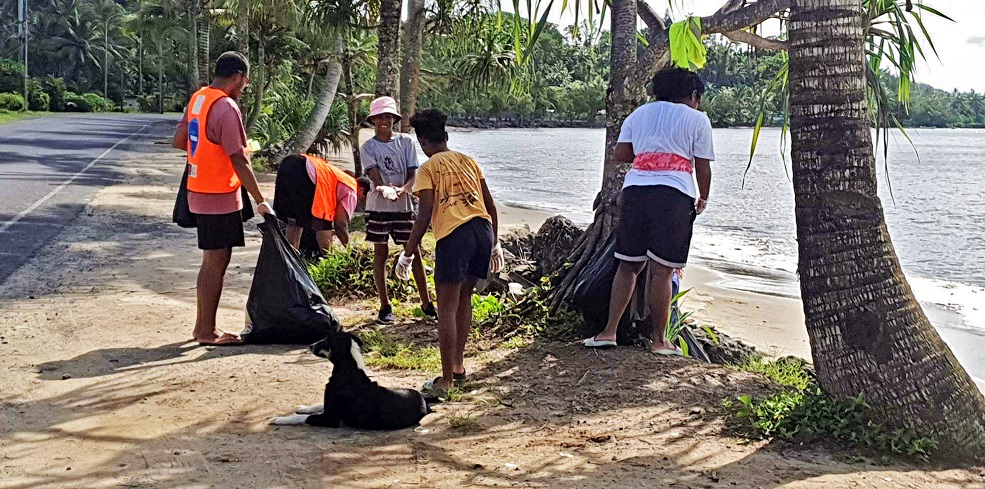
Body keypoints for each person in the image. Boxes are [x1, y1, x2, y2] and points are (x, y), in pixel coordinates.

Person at [583, 67, 714, 355]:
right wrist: (703, 197)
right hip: (674, 194)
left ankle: (608, 331)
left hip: (635, 192)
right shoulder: (697, 119)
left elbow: (620, 154)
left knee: (628, 265)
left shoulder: (638, 114)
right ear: (693, 95)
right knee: (662, 272)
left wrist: (647, 152)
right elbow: (703, 166)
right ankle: (659, 340)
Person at [172, 51, 272, 346]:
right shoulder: (227, 108)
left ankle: (202, 327)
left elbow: (180, 141)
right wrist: (260, 199)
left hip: (197, 189)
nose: (245, 87)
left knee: (211, 260)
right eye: (245, 81)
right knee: (217, 260)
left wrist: (205, 152)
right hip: (218, 193)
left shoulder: (199, 99)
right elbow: (239, 159)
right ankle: (206, 331)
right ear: (238, 76)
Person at [402, 109, 502, 395]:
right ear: (445, 136)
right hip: (482, 230)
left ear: (422, 142)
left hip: (455, 234)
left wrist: (408, 252)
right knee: (465, 297)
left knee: (446, 307)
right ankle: (458, 367)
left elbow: (425, 213)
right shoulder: (469, 161)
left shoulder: (428, 169)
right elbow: (490, 205)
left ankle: (445, 381)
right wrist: (495, 242)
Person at [361, 96, 435, 323]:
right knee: (380, 253)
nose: (384, 121)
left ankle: (426, 302)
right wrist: (384, 188)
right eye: (379, 117)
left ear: (394, 119)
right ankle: (384, 305)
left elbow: (413, 172)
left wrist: (403, 190)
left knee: (413, 252)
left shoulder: (406, 142)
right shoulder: (368, 147)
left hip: (403, 206)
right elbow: (374, 175)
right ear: (373, 120)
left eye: (388, 117)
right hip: (379, 206)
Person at [273, 153, 372, 251]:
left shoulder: (342, 178)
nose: (360, 202)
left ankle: (291, 260)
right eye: (363, 199)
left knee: (295, 222)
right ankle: (328, 259)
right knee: (323, 223)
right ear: (361, 190)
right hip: (306, 173)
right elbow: (340, 224)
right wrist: (349, 250)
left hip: (290, 163)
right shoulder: (352, 189)